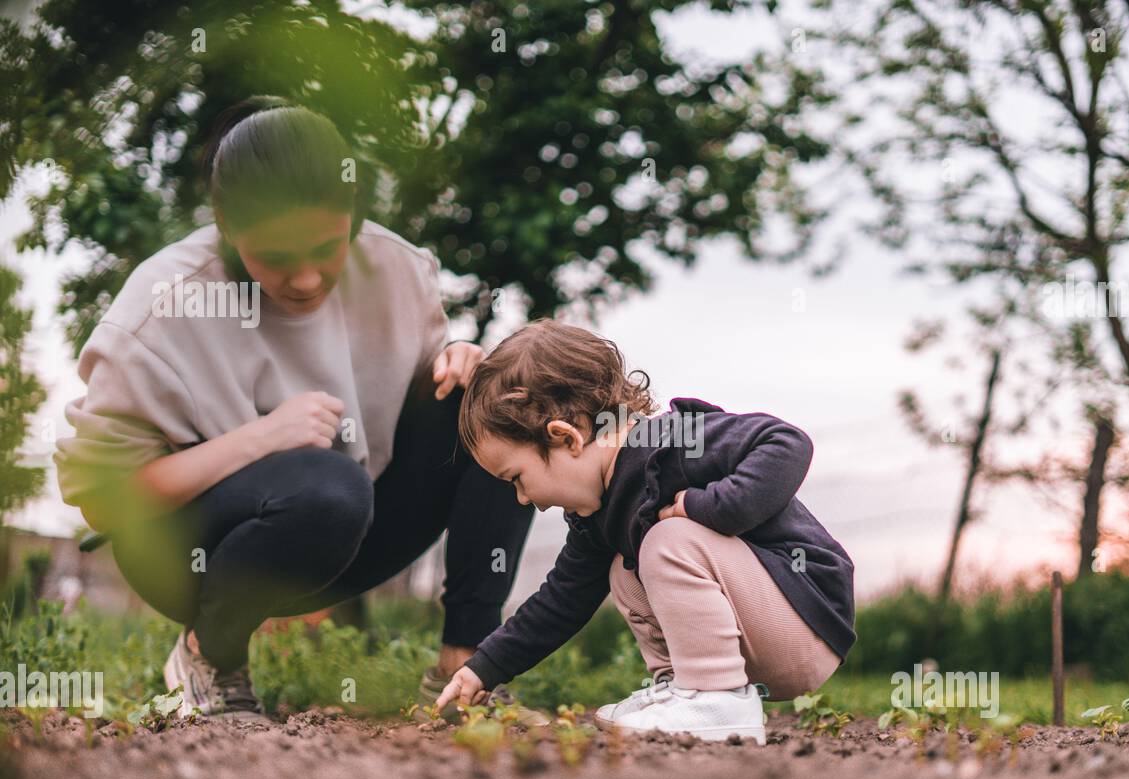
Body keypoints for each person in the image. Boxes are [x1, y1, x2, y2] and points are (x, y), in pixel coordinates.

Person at [54, 96, 538, 722]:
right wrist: (260, 438)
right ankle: (210, 654)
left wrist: (465, 363)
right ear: (227, 227)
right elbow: (106, 500)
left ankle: (466, 672)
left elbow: (426, 410)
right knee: (326, 484)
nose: (306, 279)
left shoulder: (397, 270)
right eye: (276, 257)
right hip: (189, 550)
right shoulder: (163, 302)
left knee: (494, 404)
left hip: (348, 533)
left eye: (326, 249)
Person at [434, 320, 857, 744]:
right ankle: (685, 690)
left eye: (517, 478)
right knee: (623, 567)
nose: (522, 498)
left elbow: (785, 442)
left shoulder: (670, 444)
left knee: (665, 541)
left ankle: (716, 699)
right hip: (763, 641)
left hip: (807, 617)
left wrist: (707, 507)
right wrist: (484, 666)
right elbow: (561, 601)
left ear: (566, 438)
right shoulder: (596, 518)